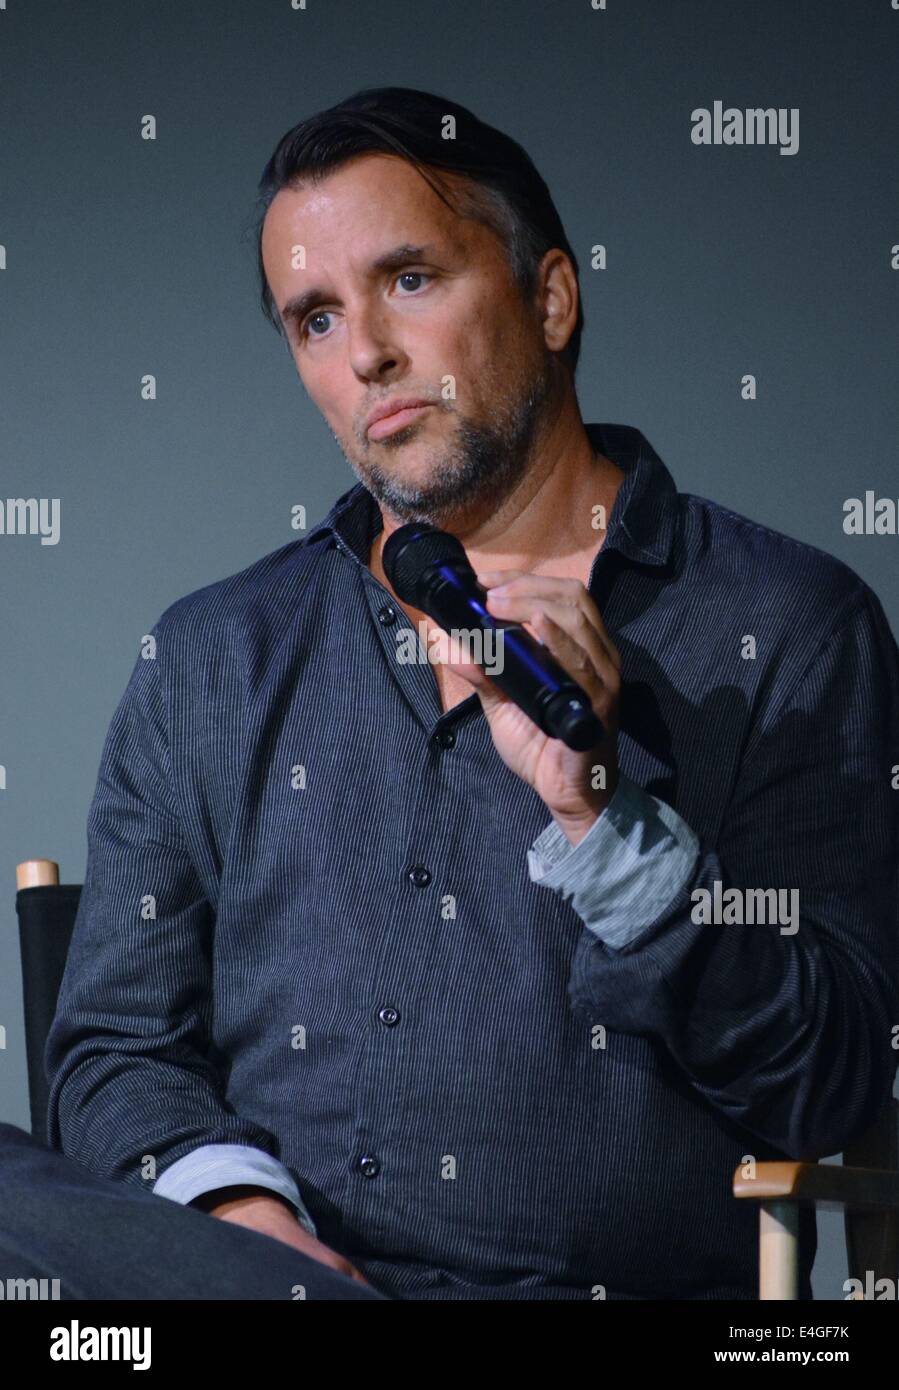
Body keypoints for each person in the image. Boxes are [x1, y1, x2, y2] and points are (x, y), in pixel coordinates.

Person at [3, 86, 897, 1302]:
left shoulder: (786, 627)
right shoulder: (213, 654)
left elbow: (832, 1077)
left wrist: (605, 823)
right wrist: (244, 1220)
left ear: (549, 296)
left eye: (408, 280)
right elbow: (113, 1050)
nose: (364, 350)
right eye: (313, 318)